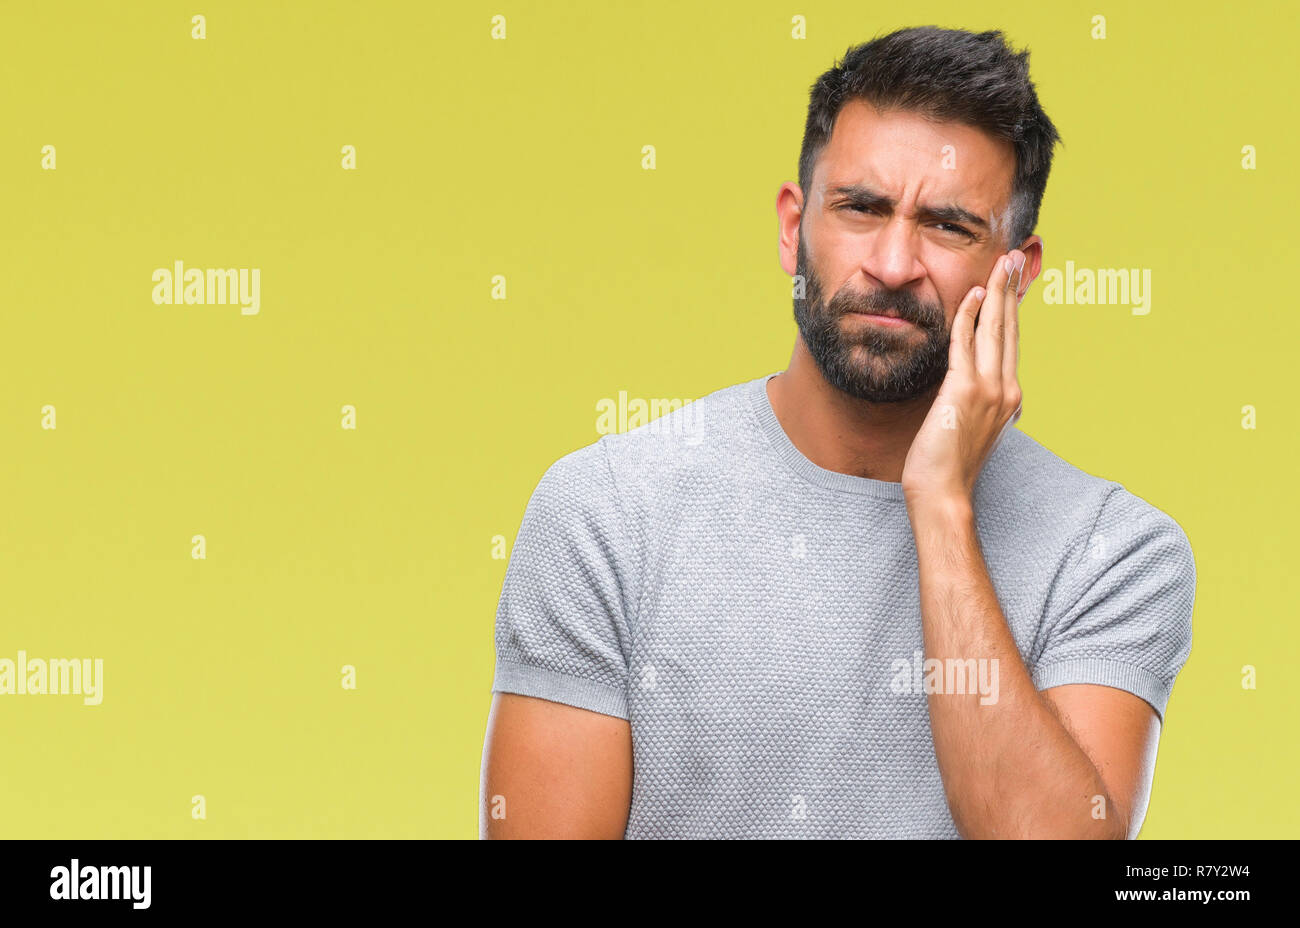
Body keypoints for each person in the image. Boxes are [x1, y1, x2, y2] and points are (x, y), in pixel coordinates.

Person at [480, 25, 1195, 839]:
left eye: (948, 226)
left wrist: (941, 504)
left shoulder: (1115, 553)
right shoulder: (603, 512)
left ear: (1017, 273)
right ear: (794, 227)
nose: (892, 263)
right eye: (861, 207)